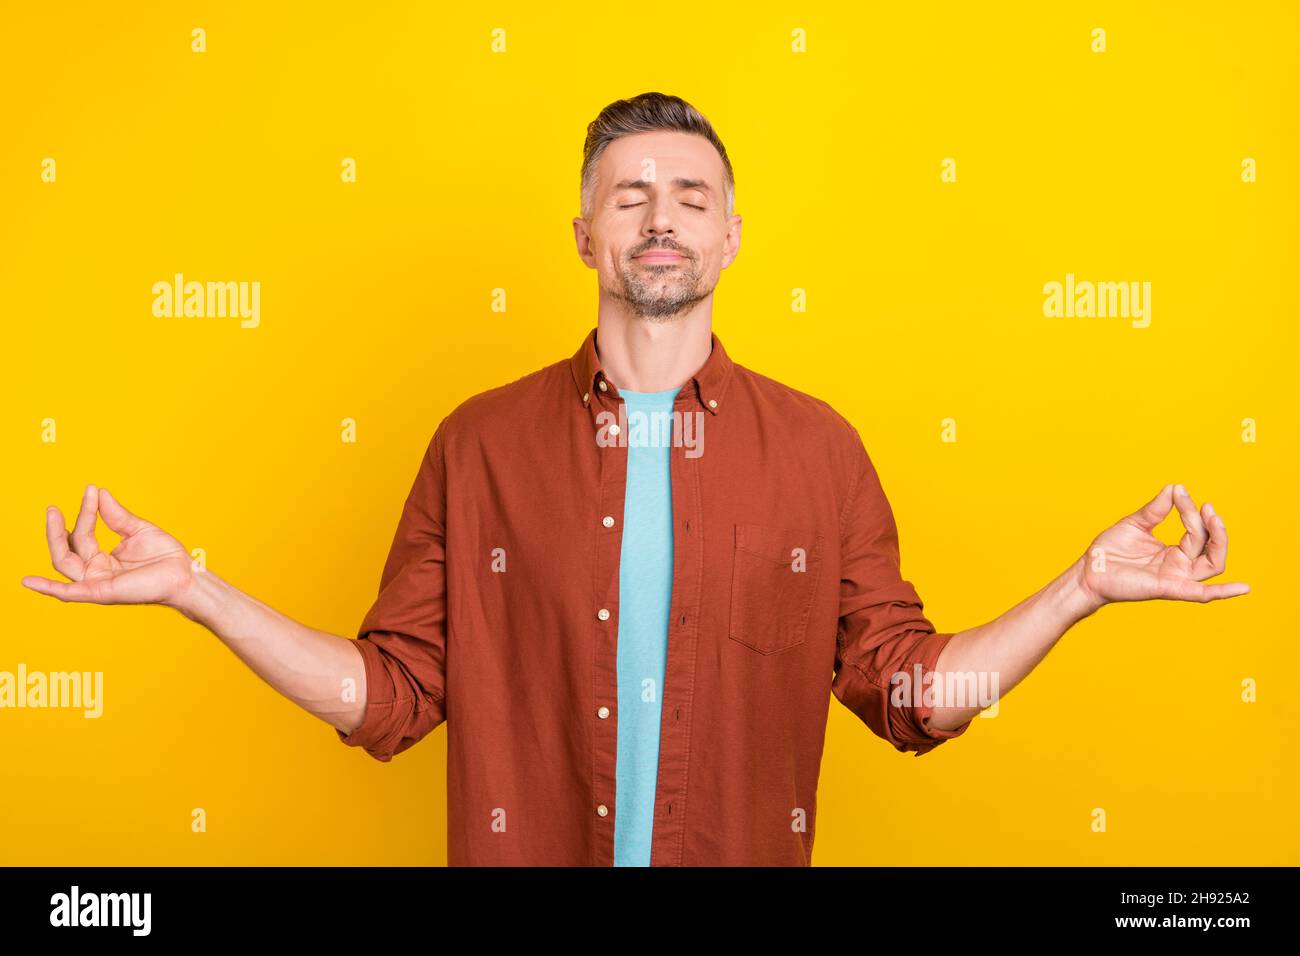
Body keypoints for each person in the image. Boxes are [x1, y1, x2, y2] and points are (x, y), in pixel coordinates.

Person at [21, 92, 1250, 867]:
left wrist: (1078, 589)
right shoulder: (480, 443)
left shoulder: (818, 450)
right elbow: (390, 697)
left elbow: (911, 696)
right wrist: (196, 589)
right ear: (585, 232)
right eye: (630, 195)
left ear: (728, 235)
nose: (660, 218)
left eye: (690, 197)